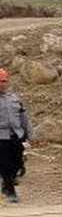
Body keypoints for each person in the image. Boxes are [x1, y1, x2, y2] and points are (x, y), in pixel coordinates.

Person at [0, 68, 33, 203]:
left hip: (16, 135)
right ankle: (11, 191)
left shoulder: (13, 98)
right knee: (5, 164)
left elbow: (24, 117)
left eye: (4, 81)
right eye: (0, 81)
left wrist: (30, 135)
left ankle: (6, 184)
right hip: (1, 137)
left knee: (18, 161)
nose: (2, 84)